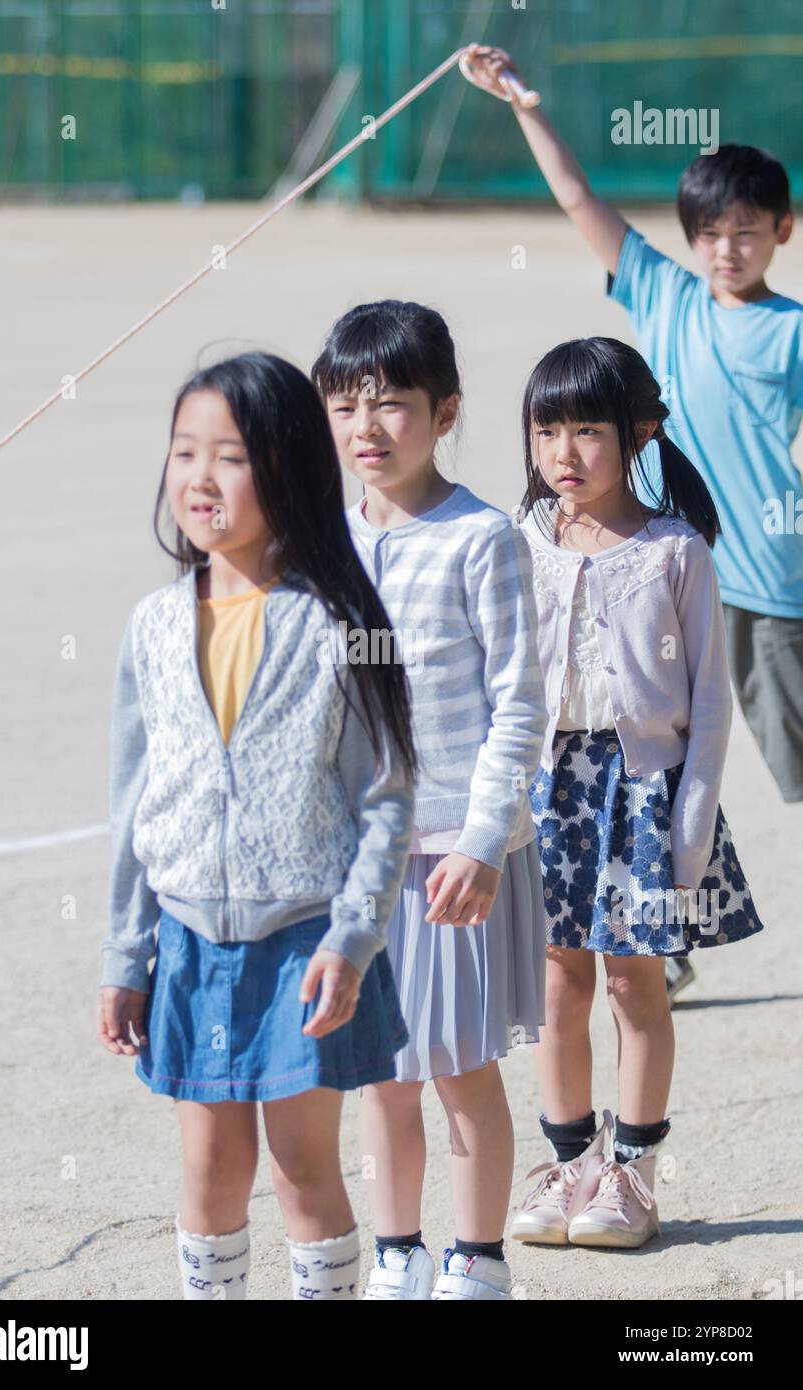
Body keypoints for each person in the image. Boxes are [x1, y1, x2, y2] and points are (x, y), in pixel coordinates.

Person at [462, 42, 803, 1000]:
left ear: (782, 229)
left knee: (764, 760)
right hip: (641, 572)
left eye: (745, 231)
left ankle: (664, 912)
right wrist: (526, 105)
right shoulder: (662, 292)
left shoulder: (794, 330)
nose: (725, 248)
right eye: (709, 231)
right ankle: (654, 925)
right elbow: (580, 204)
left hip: (774, 582)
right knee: (631, 743)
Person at [97, 351, 419, 1301]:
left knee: (301, 1166)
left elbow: (386, 797)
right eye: (184, 451)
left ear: (289, 467)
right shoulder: (153, 625)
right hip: (192, 940)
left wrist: (354, 939)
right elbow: (132, 802)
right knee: (207, 1170)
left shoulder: (338, 624)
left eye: (229, 456)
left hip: (306, 940)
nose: (199, 477)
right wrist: (126, 955)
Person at [312, 300, 548, 1299]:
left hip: (456, 852)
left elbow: (519, 705)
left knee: (458, 1070)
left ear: (446, 411)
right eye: (345, 404)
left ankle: (478, 1258)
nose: (368, 426)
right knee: (379, 1073)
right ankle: (397, 1251)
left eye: (393, 404)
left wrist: (484, 841)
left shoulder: (481, 538)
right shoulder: (320, 543)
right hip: (359, 862)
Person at [510, 335, 764, 1249]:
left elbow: (710, 706)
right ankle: (570, 1161)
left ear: (641, 431)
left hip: (643, 798)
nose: (564, 453)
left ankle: (633, 1176)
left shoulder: (675, 552)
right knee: (556, 982)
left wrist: (688, 834)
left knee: (633, 986)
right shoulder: (522, 540)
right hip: (547, 793)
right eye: (548, 430)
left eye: (587, 429)